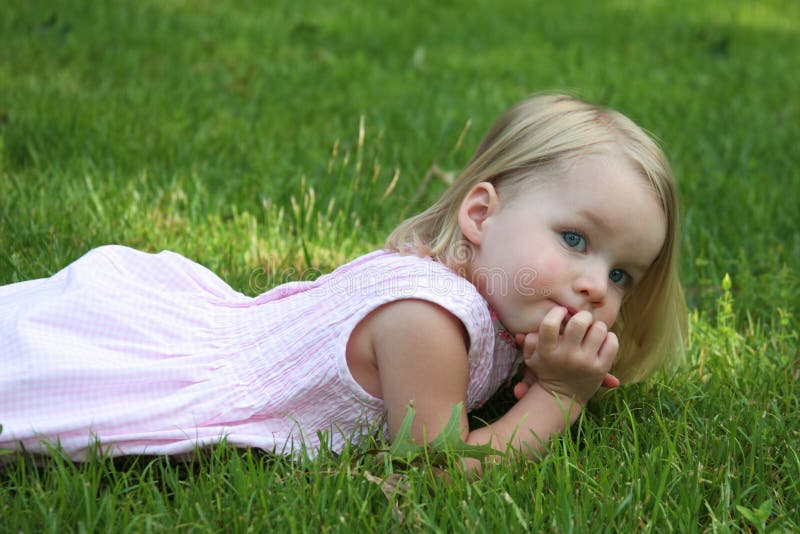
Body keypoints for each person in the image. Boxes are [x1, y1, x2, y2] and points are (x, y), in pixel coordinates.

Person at [0, 94, 686, 469]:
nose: (597, 285)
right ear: (481, 214)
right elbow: (437, 471)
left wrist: (536, 362)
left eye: (621, 272)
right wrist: (559, 399)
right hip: (164, 369)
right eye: (574, 240)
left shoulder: (485, 296)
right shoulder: (430, 319)